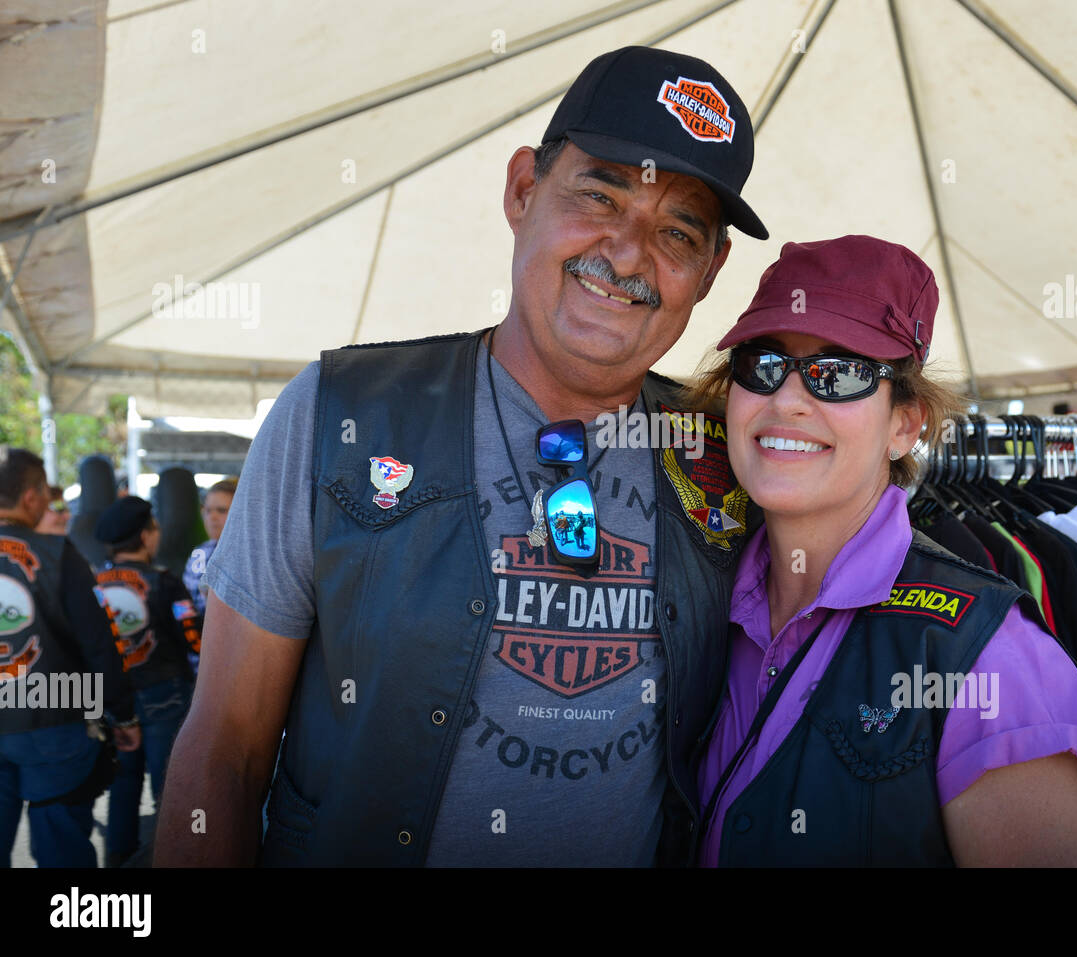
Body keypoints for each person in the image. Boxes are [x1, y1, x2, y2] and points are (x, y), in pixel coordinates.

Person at [156, 45, 768, 866]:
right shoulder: (343, 411)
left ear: (710, 269)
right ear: (523, 189)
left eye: (677, 232)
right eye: (599, 194)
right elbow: (225, 743)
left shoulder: (722, 458)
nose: (627, 254)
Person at [692, 236, 1077, 865]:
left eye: (839, 372)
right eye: (762, 364)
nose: (787, 399)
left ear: (904, 425)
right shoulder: (694, 589)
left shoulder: (990, 655)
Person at [0, 447, 140, 868]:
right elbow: (100, 644)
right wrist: (123, 716)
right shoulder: (61, 554)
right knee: (62, 849)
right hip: (57, 719)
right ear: (32, 496)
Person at [93, 496, 201, 866]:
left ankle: (118, 858)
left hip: (113, 699)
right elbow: (195, 638)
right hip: (165, 694)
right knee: (167, 787)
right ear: (145, 535)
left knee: (123, 784)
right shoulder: (166, 583)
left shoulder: (93, 584)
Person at [181, 477, 236, 669]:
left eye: (221, 510)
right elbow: (186, 606)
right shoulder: (199, 553)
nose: (212, 518)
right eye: (207, 510)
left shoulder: (254, 556)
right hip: (199, 659)